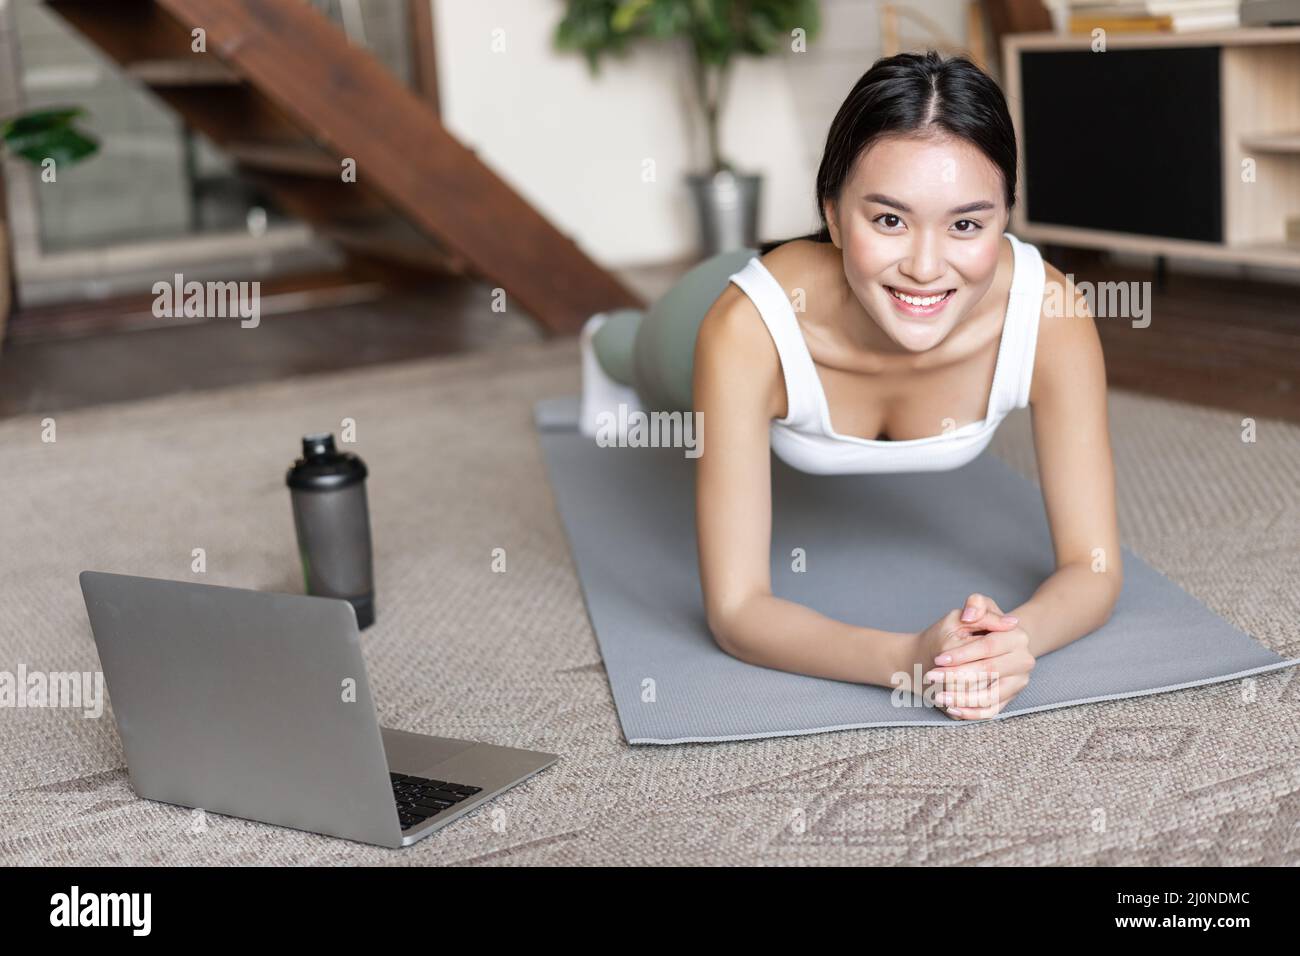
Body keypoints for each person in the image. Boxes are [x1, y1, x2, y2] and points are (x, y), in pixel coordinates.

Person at [579, 51, 1121, 721]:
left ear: (1006, 215)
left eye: (966, 224)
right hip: (701, 316)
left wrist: (1008, 644)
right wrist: (906, 661)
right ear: (833, 215)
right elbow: (736, 609)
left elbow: (1094, 567)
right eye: (888, 220)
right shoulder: (745, 328)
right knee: (633, 353)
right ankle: (606, 335)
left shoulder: (1050, 314)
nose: (925, 267)